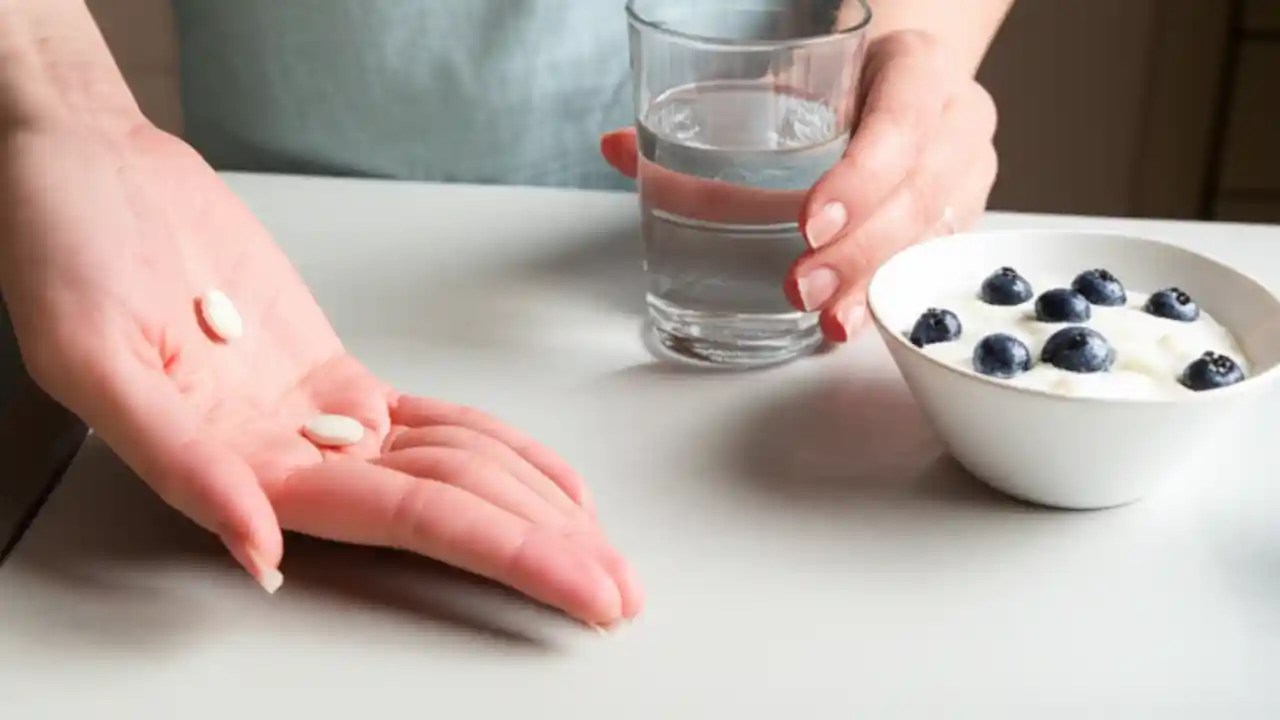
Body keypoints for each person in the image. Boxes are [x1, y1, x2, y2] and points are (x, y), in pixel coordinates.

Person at [0, 0, 1008, 626]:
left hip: (764, 232)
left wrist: (906, 56)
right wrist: (58, 105)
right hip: (272, 213)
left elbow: (907, 44)